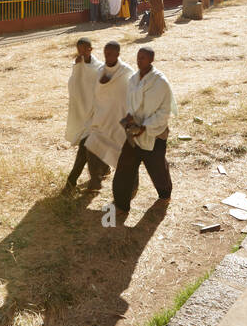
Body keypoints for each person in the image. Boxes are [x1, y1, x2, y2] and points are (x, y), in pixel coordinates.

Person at [113, 46, 178, 222]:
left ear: (151, 60)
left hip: (154, 135)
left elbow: (164, 112)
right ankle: (121, 205)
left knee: (157, 169)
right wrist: (129, 118)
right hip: (134, 134)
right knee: (124, 168)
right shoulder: (134, 79)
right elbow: (130, 103)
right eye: (138, 57)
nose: (139, 60)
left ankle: (165, 196)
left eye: (143, 58)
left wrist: (145, 127)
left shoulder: (160, 82)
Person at [76, 40, 134, 193]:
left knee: (120, 152)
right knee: (92, 145)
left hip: (118, 120)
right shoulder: (100, 70)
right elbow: (95, 93)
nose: (107, 56)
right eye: (105, 53)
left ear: (117, 54)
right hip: (101, 118)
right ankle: (96, 180)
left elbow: (134, 94)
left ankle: (127, 186)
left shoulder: (126, 72)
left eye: (110, 54)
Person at [64, 38, 107, 191]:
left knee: (85, 147)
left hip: (95, 114)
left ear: (91, 49)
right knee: (89, 147)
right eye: (79, 50)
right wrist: (76, 68)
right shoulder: (77, 66)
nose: (81, 53)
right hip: (83, 113)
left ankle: (73, 182)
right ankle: (103, 170)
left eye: (84, 49)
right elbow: (73, 86)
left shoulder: (99, 67)